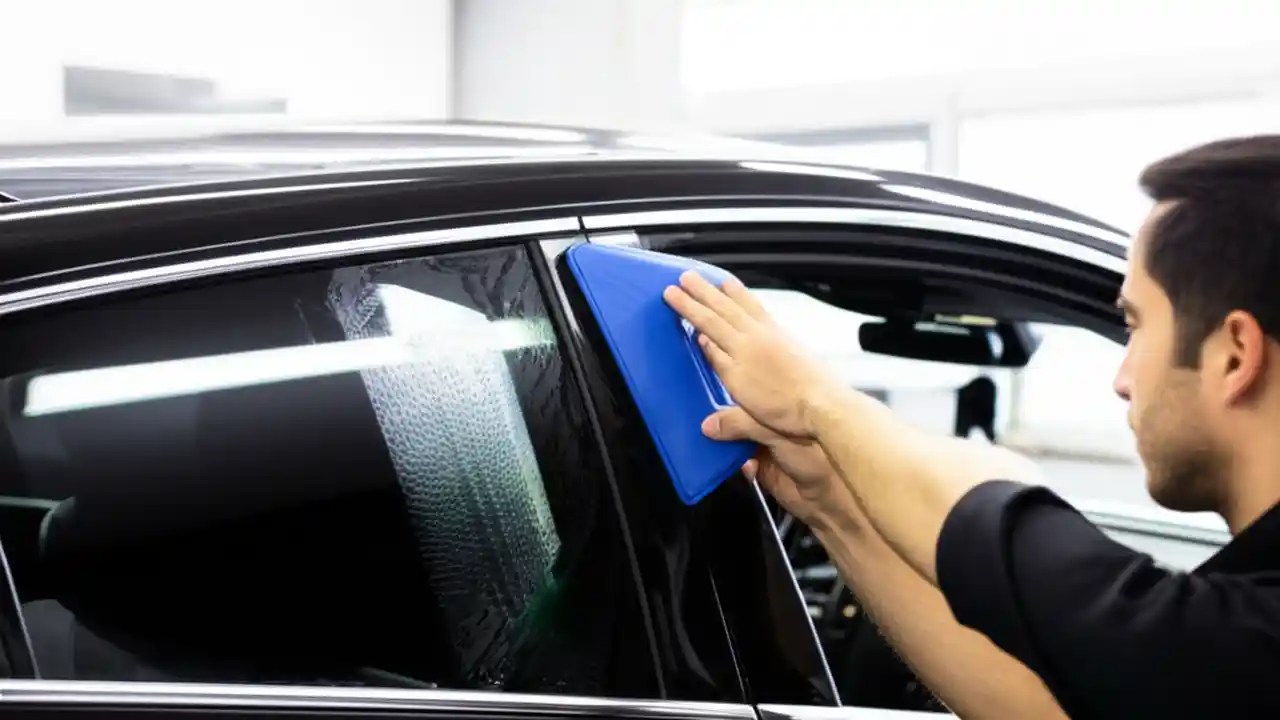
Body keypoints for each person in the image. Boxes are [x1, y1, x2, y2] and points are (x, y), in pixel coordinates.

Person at [663, 134, 1280, 720]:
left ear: (1233, 357)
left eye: (1136, 326)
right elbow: (1045, 709)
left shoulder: (1246, 638)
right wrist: (831, 505)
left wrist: (812, 398)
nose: (1122, 379)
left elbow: (1003, 532)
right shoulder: (1232, 634)